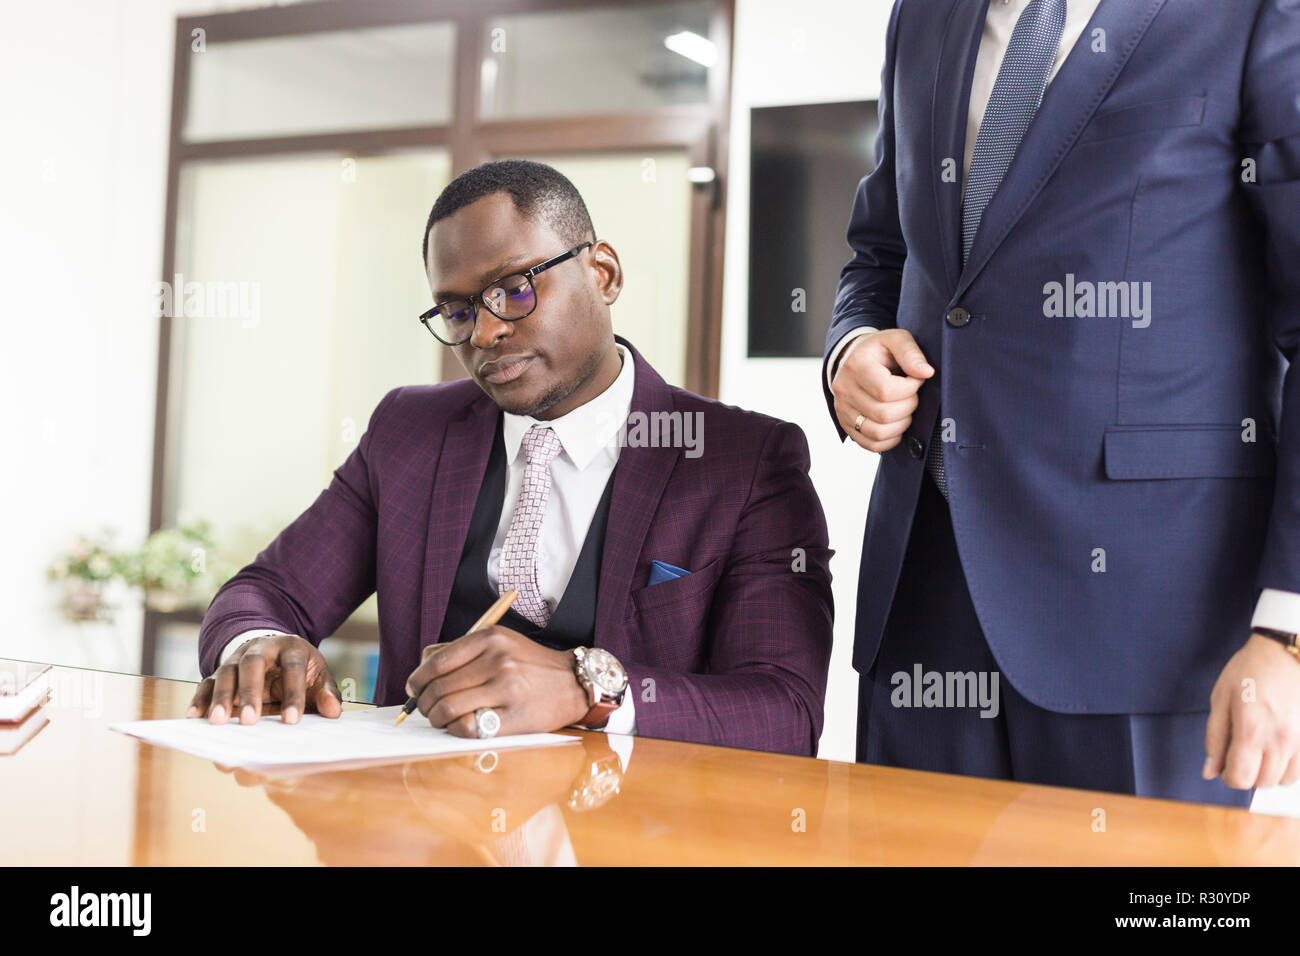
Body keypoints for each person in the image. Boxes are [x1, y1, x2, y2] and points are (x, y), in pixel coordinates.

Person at [191, 159, 833, 755]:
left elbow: (786, 709)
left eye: (514, 287)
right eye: (457, 309)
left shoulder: (743, 461)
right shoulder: (409, 431)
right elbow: (268, 591)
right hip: (419, 825)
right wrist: (258, 644)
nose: (486, 332)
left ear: (602, 274)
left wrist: (590, 690)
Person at [824, 0, 1300, 803]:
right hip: (926, 595)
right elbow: (881, 251)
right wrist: (851, 345)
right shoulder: (922, 17)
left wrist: (1285, 629)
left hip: (1150, 616)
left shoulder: (1250, 14)